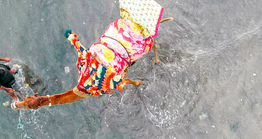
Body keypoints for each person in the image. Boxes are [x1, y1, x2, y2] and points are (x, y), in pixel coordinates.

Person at [13, 15, 170, 110]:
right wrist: (72, 38)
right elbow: (82, 52)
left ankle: (139, 80)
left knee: (120, 76)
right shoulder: (85, 67)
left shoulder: (98, 83)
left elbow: (119, 81)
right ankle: (149, 60)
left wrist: (133, 82)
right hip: (108, 46)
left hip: (118, 54)